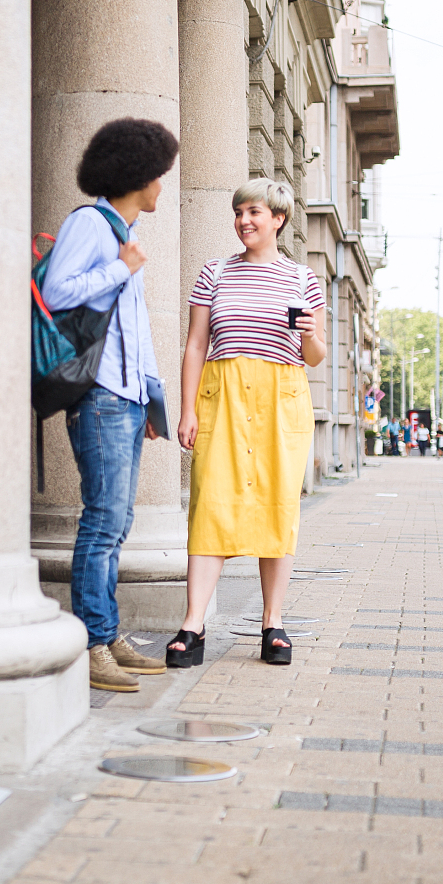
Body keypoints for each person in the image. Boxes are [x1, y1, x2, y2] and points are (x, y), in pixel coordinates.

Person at [41, 117, 180, 693]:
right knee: (102, 521)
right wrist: (121, 268)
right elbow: (56, 292)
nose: (163, 184)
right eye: (159, 173)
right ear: (139, 174)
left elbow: (133, 332)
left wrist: (148, 397)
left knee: (118, 522)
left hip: (124, 399)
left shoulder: (123, 234)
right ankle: (92, 643)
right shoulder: (90, 226)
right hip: (98, 398)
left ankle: (107, 632)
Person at [166, 179, 326, 669]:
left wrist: (311, 334)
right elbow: (196, 344)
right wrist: (188, 409)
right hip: (224, 399)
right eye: (239, 212)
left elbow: (315, 356)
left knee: (277, 509)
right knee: (210, 506)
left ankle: (273, 624)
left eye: (254, 212)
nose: (243, 221)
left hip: (282, 401)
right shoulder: (213, 273)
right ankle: (193, 625)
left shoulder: (303, 280)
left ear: (278, 219)